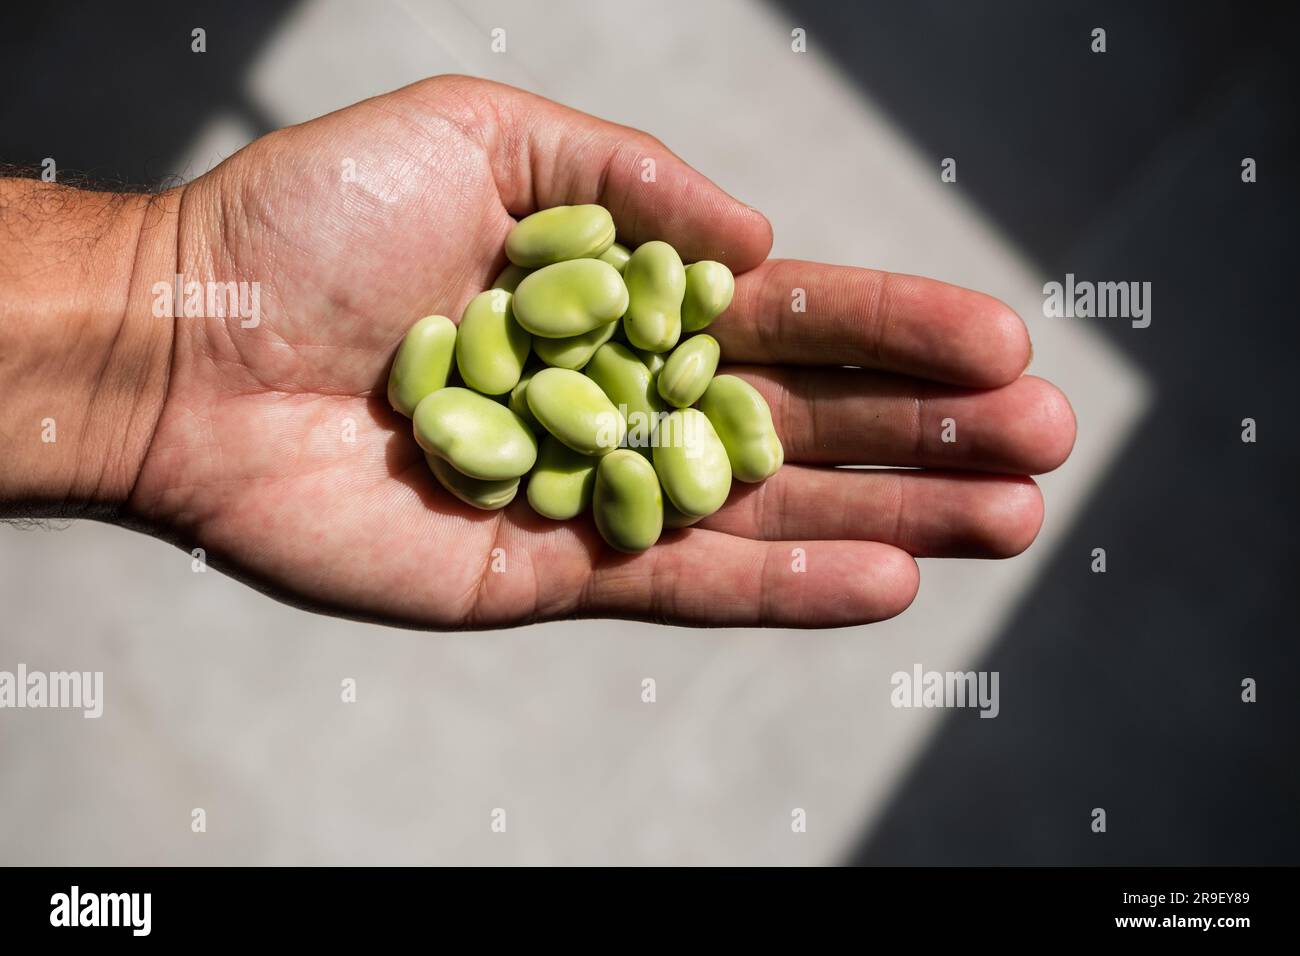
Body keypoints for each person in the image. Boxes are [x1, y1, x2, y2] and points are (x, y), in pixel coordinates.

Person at [0, 75, 1075, 629]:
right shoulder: (554, 357)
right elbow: (595, 389)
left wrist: (146, 325)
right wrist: (161, 305)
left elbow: (611, 392)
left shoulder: (601, 365)